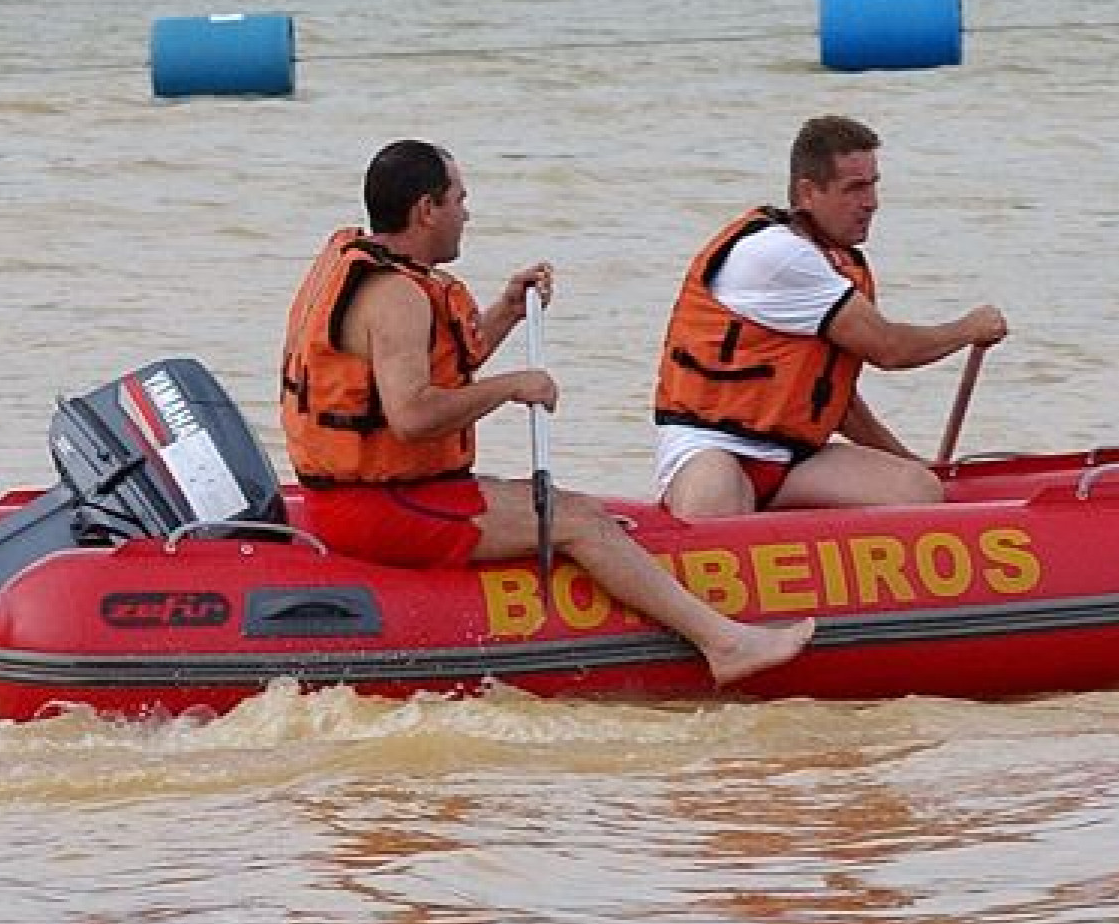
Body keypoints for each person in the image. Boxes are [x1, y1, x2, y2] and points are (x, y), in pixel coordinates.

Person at [280, 139, 813, 686]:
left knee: (576, 508)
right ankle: (725, 644)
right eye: (459, 199)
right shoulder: (396, 295)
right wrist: (511, 386)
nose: (467, 213)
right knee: (578, 520)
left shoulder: (373, 270)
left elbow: (436, 368)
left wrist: (508, 311)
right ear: (426, 209)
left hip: (385, 493)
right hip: (380, 509)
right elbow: (412, 416)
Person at [651, 114, 1008, 518]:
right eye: (854, 188)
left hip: (793, 456)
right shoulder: (776, 255)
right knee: (717, 506)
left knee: (918, 489)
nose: (871, 202)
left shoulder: (834, 262)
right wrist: (969, 328)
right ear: (807, 192)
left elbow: (837, 404)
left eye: (873, 184)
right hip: (711, 445)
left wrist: (913, 462)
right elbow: (888, 349)